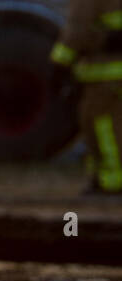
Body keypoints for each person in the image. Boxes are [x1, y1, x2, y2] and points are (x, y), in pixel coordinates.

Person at [51, 0, 122, 194]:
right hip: (110, 75)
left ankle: (112, 183)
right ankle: (103, 179)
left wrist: (59, 64)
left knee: (103, 128)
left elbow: (77, 33)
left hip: (104, 75)